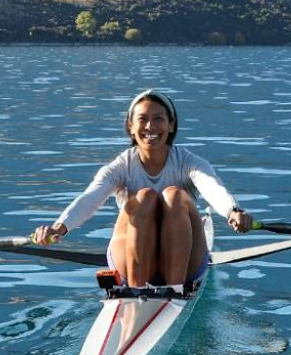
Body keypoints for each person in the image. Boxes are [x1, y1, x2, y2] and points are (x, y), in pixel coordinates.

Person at [31, 89, 253, 291]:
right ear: (130, 126)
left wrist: (232, 211)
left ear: (171, 125)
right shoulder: (120, 167)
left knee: (174, 195)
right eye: (143, 119)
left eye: (158, 119)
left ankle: (173, 290)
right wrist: (59, 227)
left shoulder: (189, 162)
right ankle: (136, 291)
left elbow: (211, 186)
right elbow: (91, 198)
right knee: (144, 197)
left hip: (185, 262)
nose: (150, 127)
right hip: (129, 261)